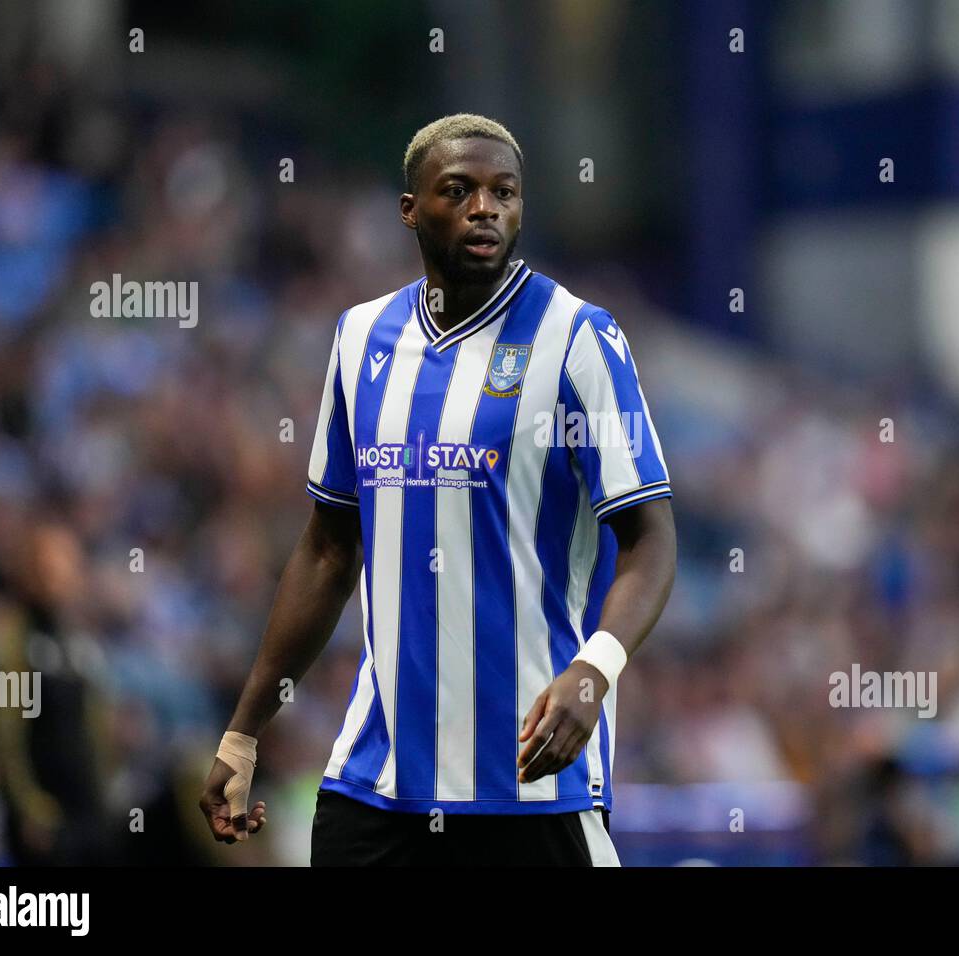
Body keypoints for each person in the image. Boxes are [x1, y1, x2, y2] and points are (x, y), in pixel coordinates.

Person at [199, 113, 676, 866]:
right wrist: (243, 731)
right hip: (376, 788)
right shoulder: (360, 338)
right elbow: (328, 551)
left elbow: (651, 540)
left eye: (504, 192)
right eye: (458, 190)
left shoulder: (578, 339)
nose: (484, 208)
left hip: (532, 781)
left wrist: (594, 672)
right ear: (410, 209)